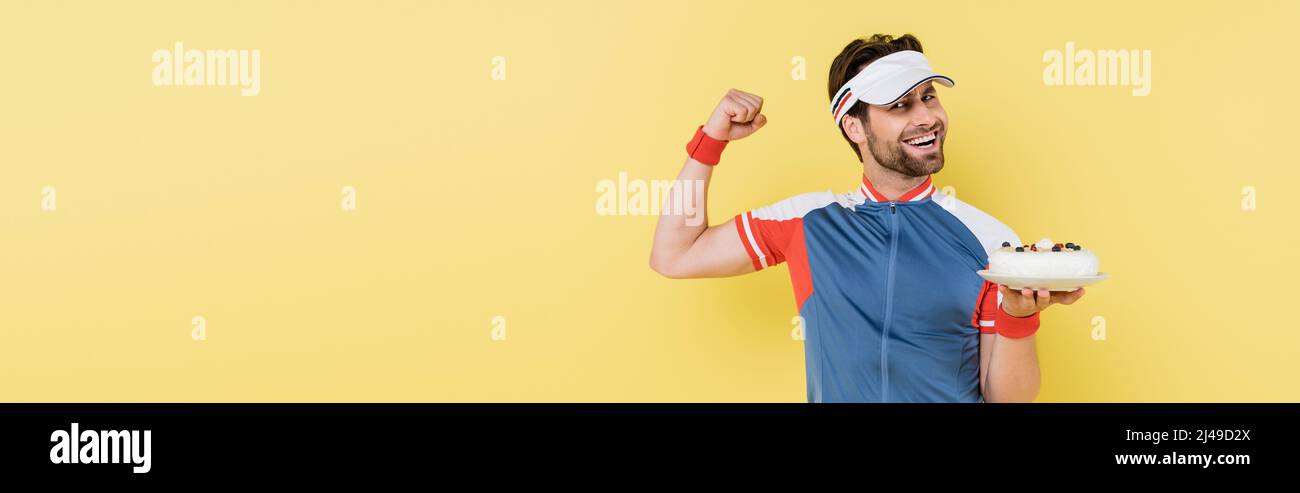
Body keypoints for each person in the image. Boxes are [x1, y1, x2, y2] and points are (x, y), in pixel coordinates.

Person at [649, 33, 1085, 403]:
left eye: (928, 97)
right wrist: (710, 141)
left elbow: (1007, 398)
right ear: (854, 127)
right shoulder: (806, 221)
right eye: (899, 106)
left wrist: (1018, 314)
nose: (927, 117)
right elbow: (675, 254)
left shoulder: (991, 241)